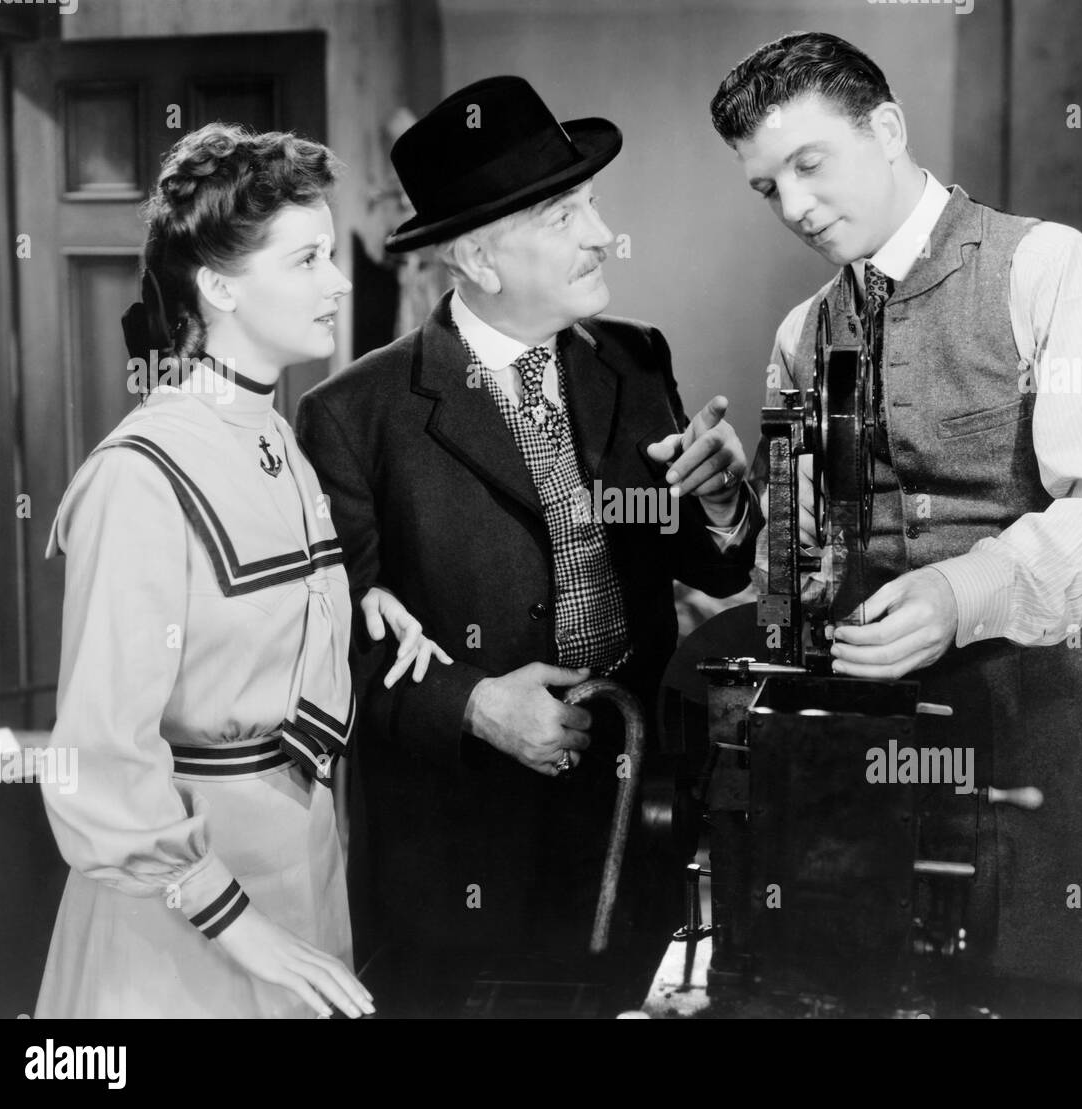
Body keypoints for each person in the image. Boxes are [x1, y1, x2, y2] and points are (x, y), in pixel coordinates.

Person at [710, 33, 1082, 1017]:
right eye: (765, 187)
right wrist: (744, 515)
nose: (791, 206)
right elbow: (793, 558)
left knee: (1037, 993)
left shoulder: (1045, 269)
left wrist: (963, 592)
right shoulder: (802, 335)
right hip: (862, 721)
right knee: (847, 979)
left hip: (1035, 704)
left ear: (886, 129)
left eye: (806, 163)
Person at [296, 76, 761, 1013]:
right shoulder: (354, 416)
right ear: (478, 255)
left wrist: (721, 502)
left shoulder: (635, 360)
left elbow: (717, 565)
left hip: (627, 824)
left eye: (592, 204)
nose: (600, 233)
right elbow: (335, 643)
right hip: (456, 855)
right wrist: (472, 705)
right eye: (563, 214)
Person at [35, 123, 446, 1019]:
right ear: (218, 284)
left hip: (302, 863)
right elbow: (94, 759)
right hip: (188, 922)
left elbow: (244, 603)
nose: (339, 282)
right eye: (304, 261)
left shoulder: (273, 436)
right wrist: (238, 922)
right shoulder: (139, 474)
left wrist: (348, 604)